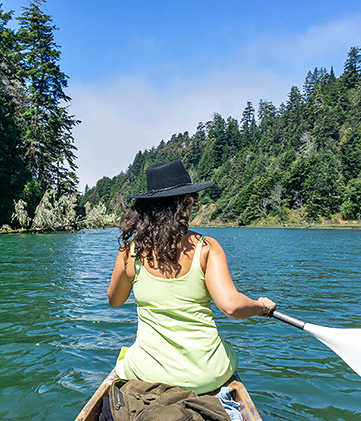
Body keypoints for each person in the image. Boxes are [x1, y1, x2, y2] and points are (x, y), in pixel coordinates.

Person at [107, 160, 276, 395]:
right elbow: (232, 306)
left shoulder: (131, 252)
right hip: (206, 375)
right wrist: (262, 307)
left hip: (149, 374)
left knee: (127, 359)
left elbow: (115, 300)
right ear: (185, 203)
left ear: (147, 208)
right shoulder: (207, 248)